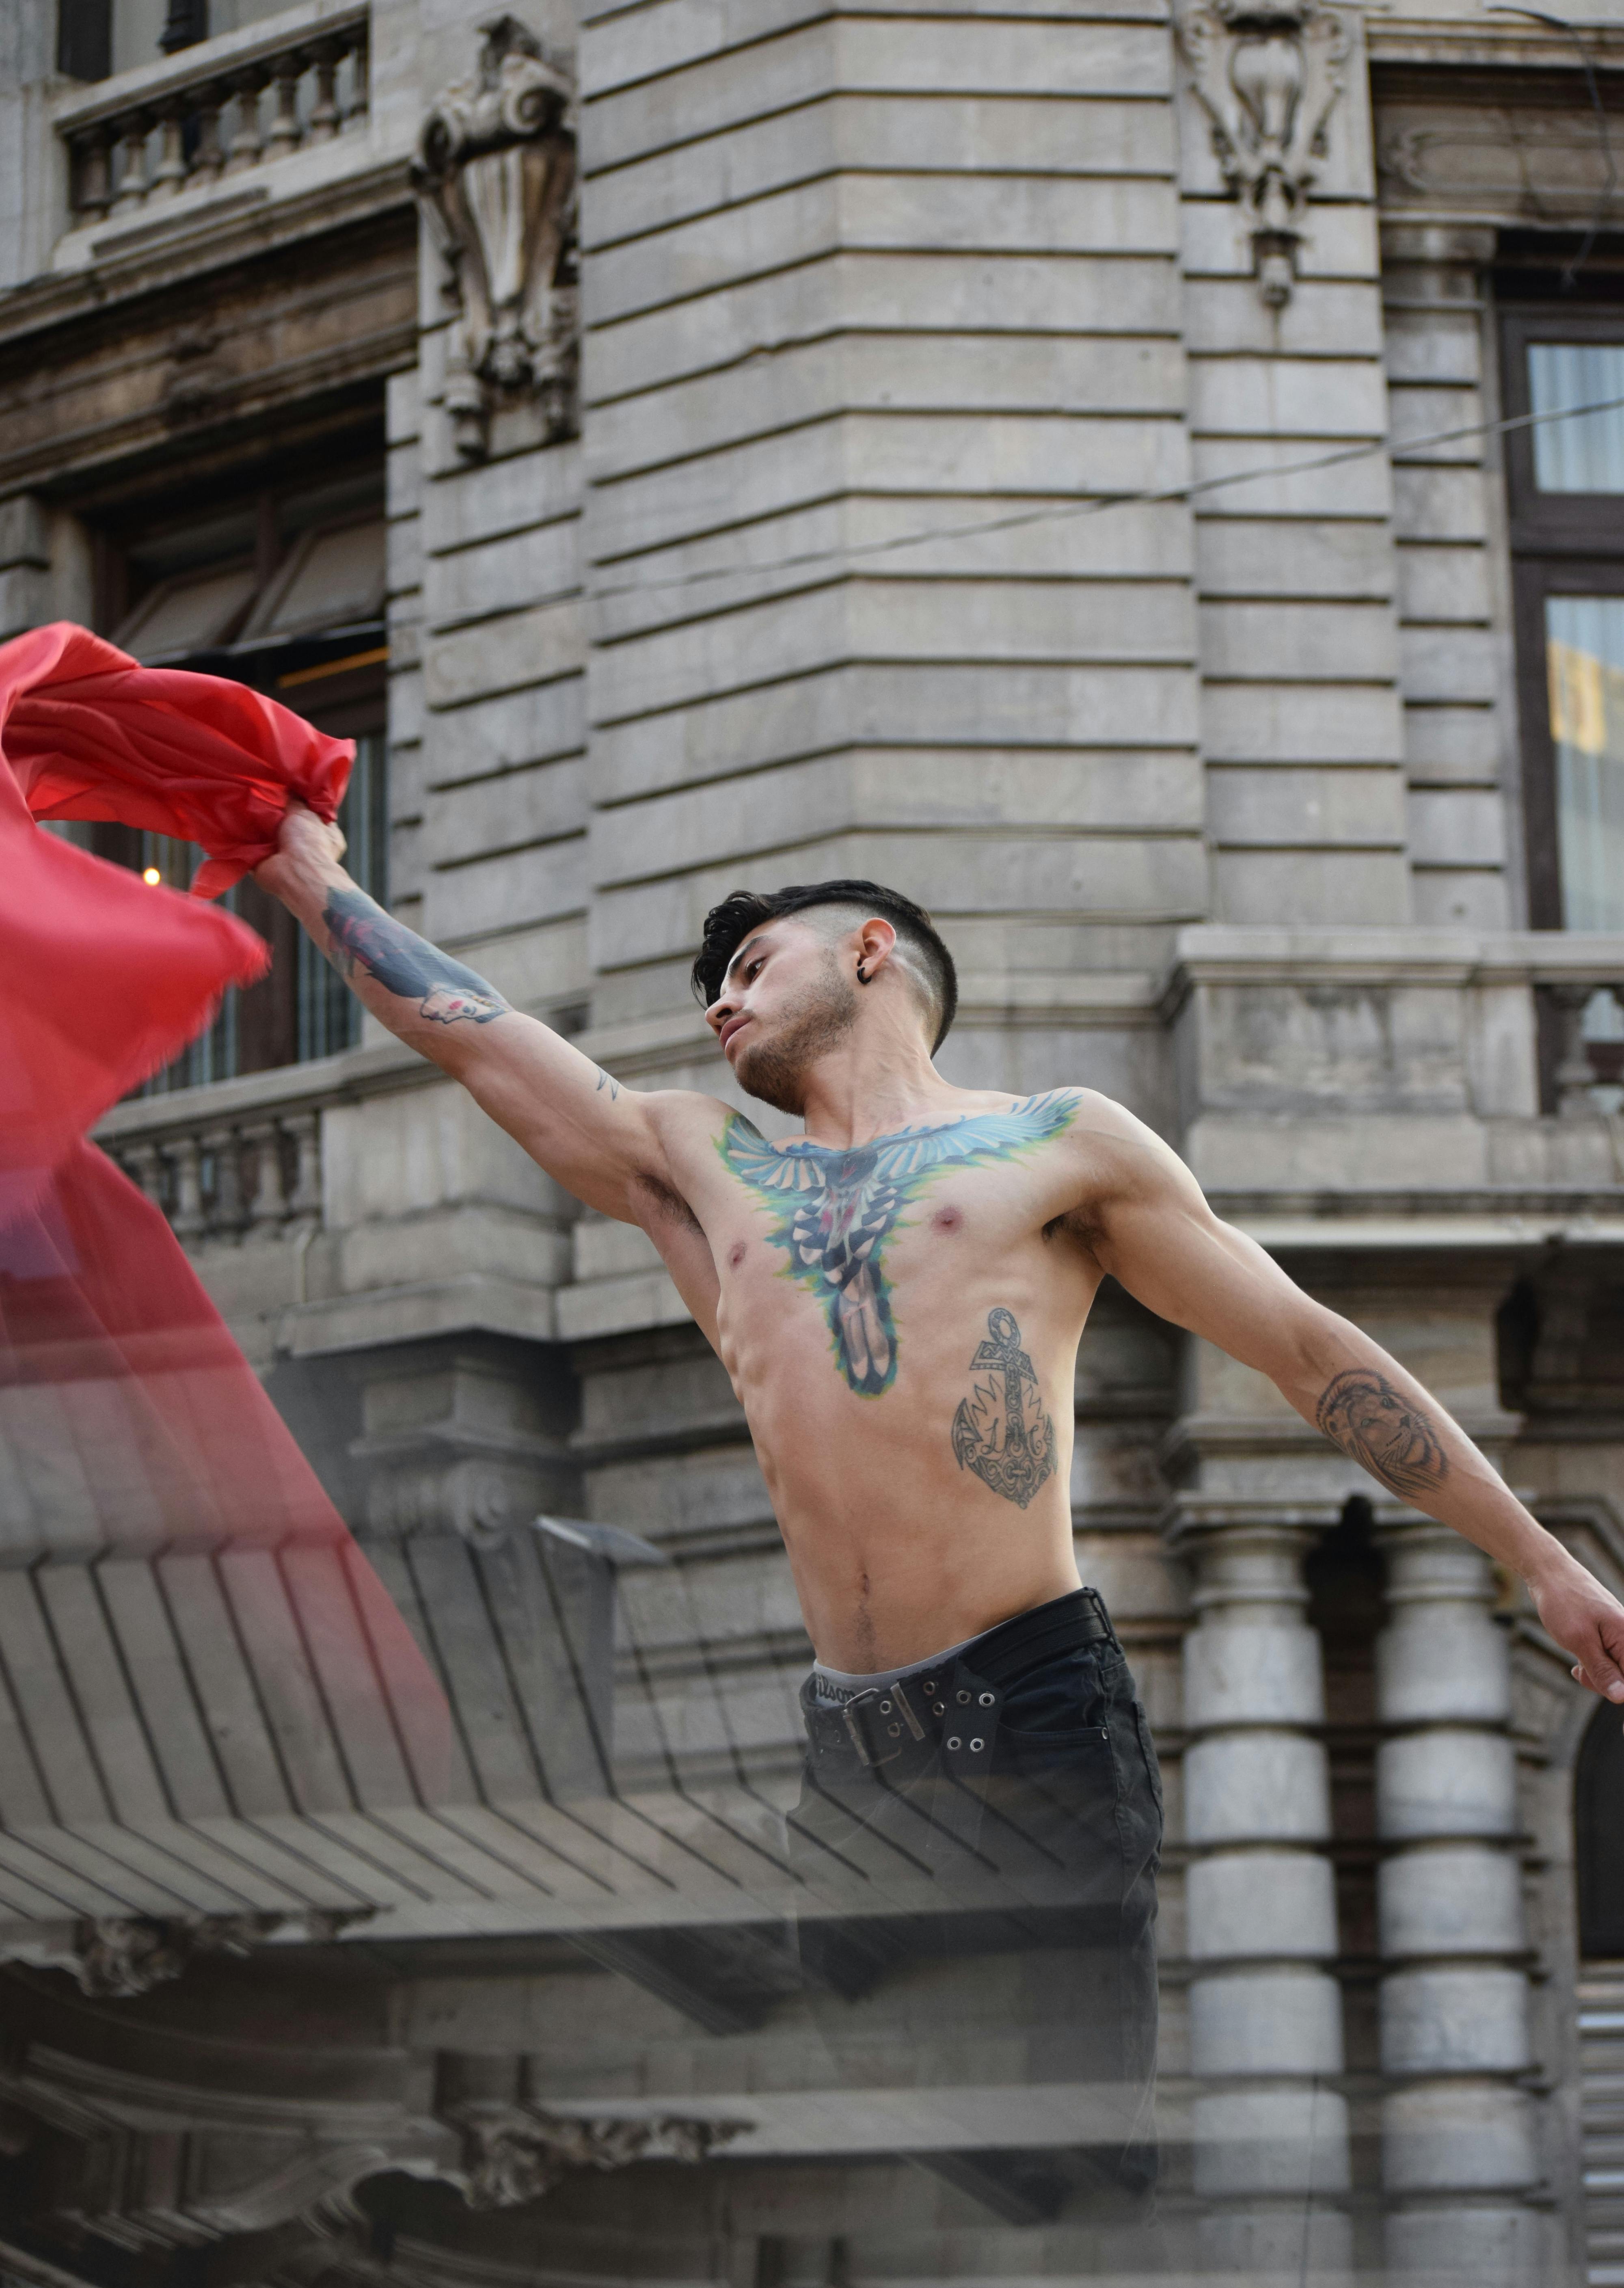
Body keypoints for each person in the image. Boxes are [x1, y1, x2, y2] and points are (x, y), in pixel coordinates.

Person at [256, 818, 1624, 2190]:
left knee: (1054, 2182)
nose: (721, 1001)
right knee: (874, 2204)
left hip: (1029, 1715)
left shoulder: (1057, 1143)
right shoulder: (704, 1164)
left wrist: (1540, 1560)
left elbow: (1308, 1350)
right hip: (847, 1760)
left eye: (748, 963)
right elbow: (479, 1033)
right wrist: (312, 873)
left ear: (870, 952)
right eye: (711, 989)